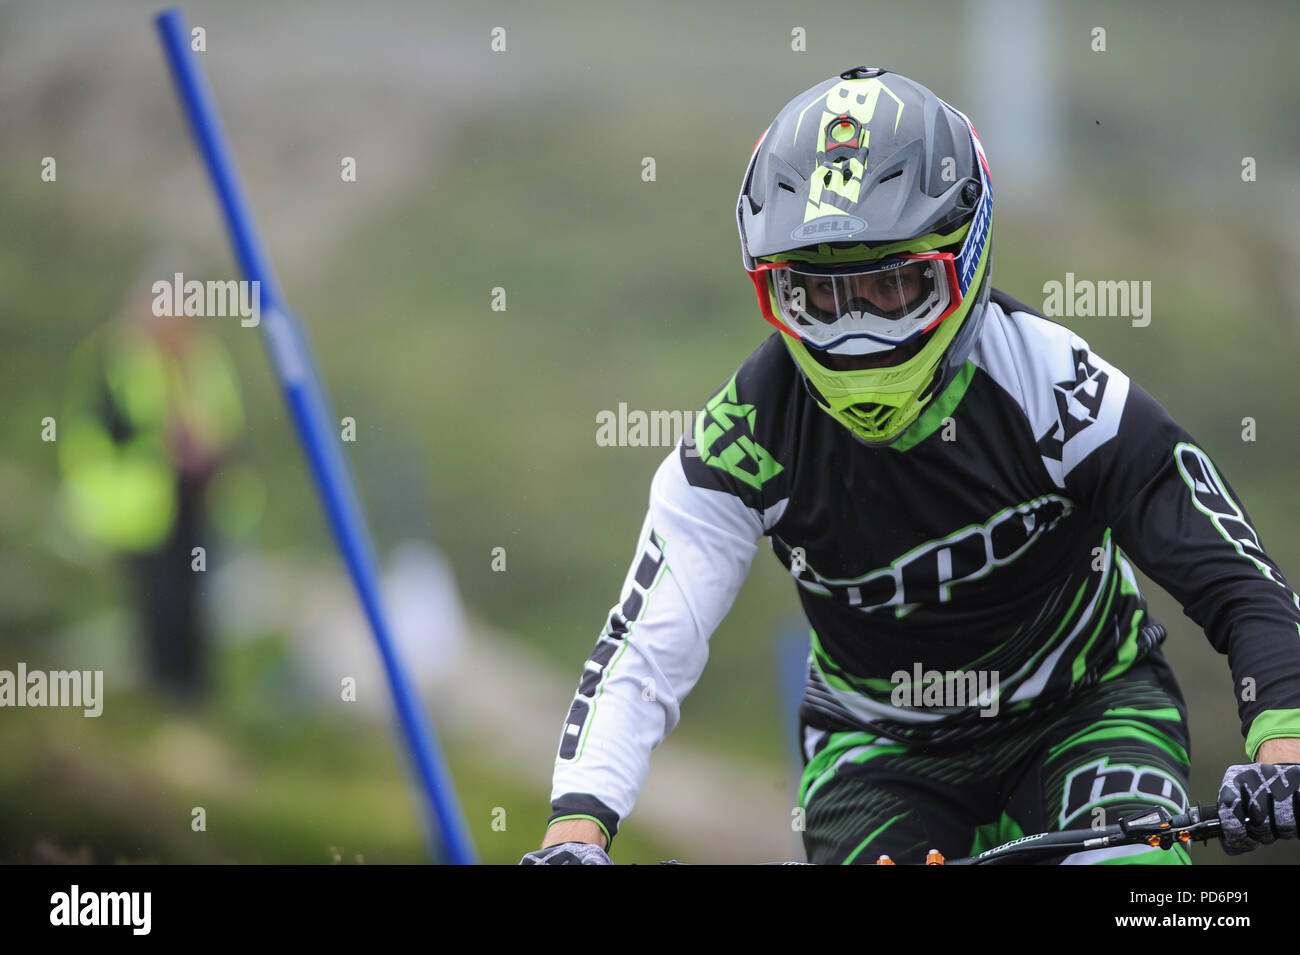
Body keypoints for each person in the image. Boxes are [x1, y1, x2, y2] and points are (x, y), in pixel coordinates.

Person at [521, 67, 1300, 865]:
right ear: (772, 291)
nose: (853, 331)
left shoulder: (1056, 385)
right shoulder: (742, 438)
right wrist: (576, 834)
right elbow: (643, 649)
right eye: (818, 296)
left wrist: (1284, 742)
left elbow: (1234, 575)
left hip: (1085, 707)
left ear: (963, 260)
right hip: (879, 753)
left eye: (893, 285)